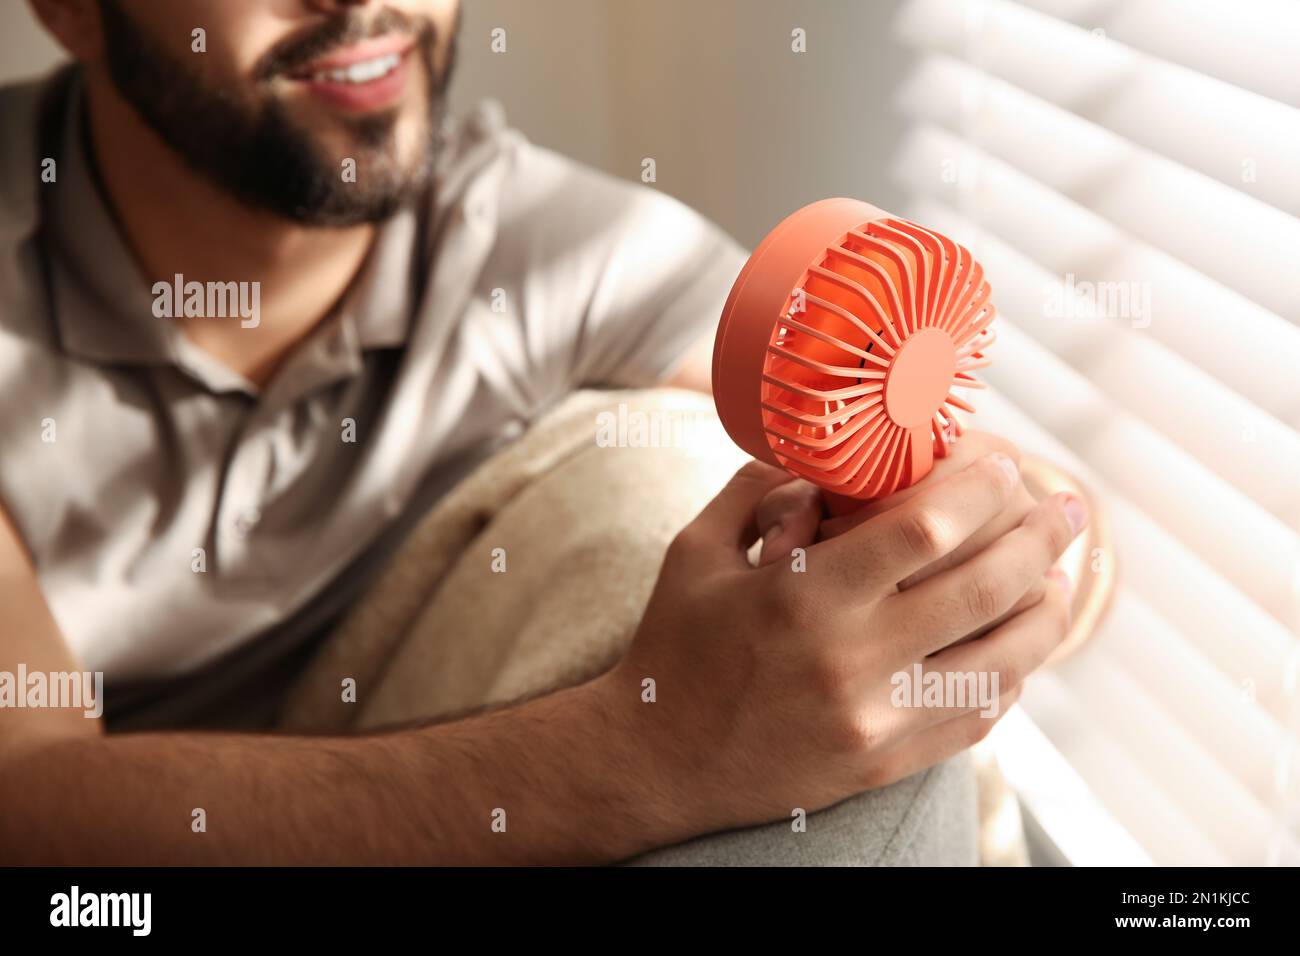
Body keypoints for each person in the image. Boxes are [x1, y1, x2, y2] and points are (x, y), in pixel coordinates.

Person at [0, 0, 1085, 864]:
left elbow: (980, 463)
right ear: (71, 9)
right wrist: (650, 751)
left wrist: (1001, 558)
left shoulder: (546, 251)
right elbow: (25, 797)